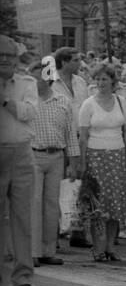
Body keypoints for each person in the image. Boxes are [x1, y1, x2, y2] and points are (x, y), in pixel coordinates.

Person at [78, 63, 126, 262]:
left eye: (104, 79)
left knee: (115, 204)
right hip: (96, 155)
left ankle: (110, 246)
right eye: (98, 79)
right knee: (97, 204)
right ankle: (98, 247)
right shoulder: (88, 104)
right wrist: (83, 162)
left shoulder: (121, 101)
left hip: (117, 155)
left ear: (113, 81)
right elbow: (83, 136)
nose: (101, 83)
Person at [29, 61, 81, 266]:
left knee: (52, 206)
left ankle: (48, 250)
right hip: (33, 155)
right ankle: (32, 252)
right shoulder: (28, 102)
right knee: (34, 204)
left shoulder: (62, 101)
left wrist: (74, 163)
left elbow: (71, 134)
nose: (33, 82)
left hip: (57, 157)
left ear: (48, 78)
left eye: (37, 77)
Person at [1, 35, 39, 286]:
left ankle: (22, 277)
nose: (4, 60)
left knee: (23, 219)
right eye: (0, 56)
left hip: (23, 155)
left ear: (17, 58)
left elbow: (29, 112)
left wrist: (5, 101)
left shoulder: (27, 82)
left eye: (9, 56)